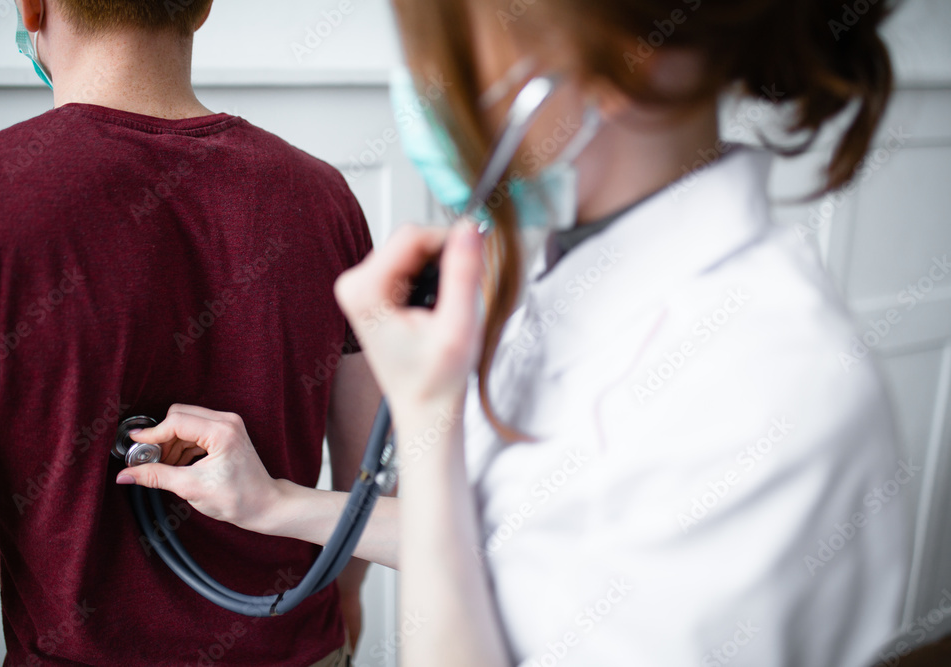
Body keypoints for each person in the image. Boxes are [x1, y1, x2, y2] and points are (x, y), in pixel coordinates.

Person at [115, 0, 911, 665]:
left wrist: (427, 418)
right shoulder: (562, 273)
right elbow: (510, 545)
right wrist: (274, 503)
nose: (424, 87)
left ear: (614, 63)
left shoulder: (764, 394)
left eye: (446, 44)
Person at [0, 1, 381, 665]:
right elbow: (369, 474)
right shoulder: (323, 197)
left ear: (32, 7)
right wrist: (343, 601)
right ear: (203, 7)